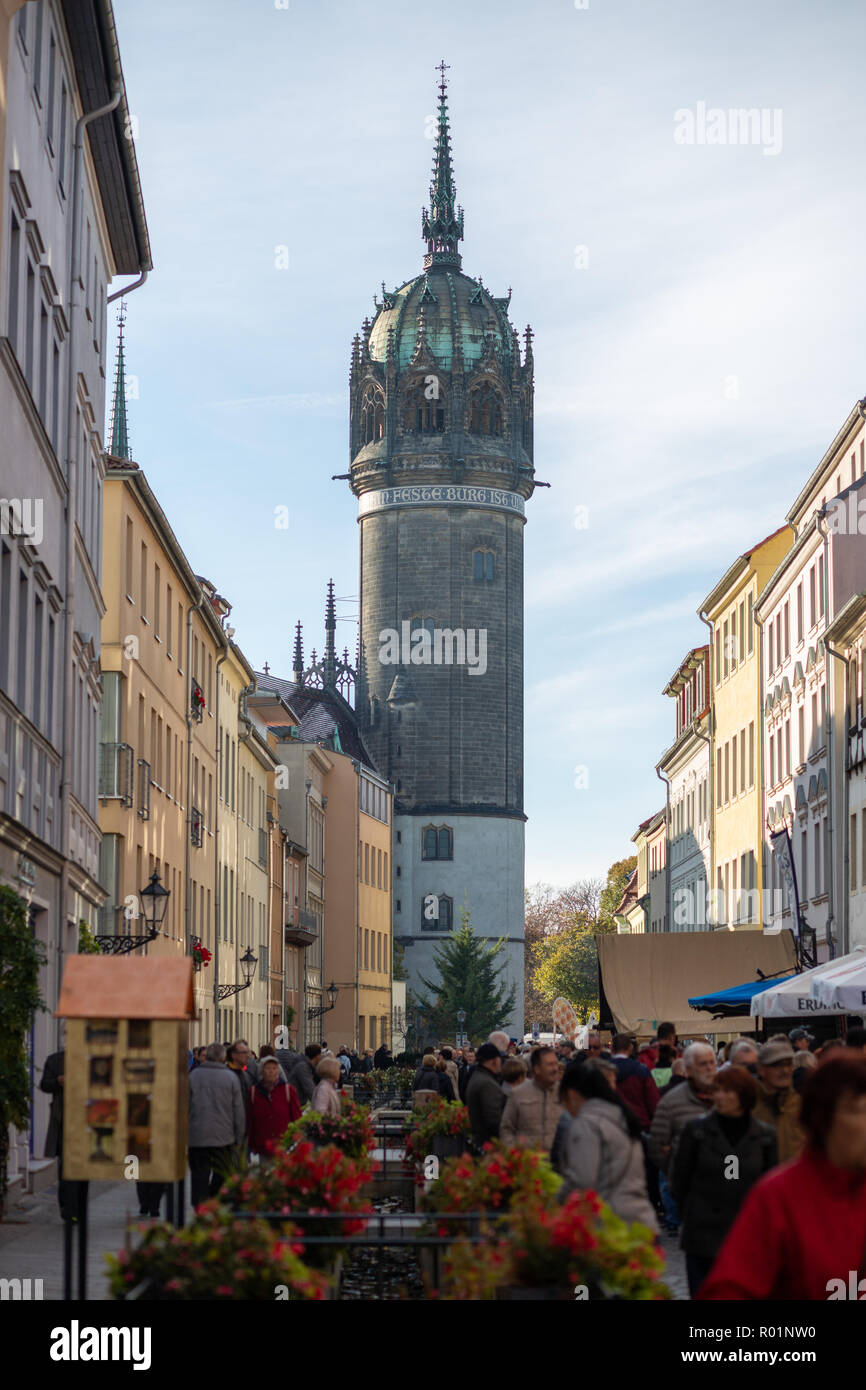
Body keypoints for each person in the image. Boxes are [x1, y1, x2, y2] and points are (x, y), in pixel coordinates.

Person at [699, 1055, 866, 1300]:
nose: (724, 1098)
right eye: (858, 1111)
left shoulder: (765, 1132)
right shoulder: (778, 1197)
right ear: (824, 1119)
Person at [671, 1065, 777, 1296]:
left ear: (743, 1095)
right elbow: (680, 1180)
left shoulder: (765, 1136)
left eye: (728, 1091)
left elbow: (771, 1187)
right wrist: (692, 1213)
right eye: (717, 1090)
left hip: (748, 1237)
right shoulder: (696, 1131)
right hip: (704, 1236)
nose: (720, 1096)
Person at [558, 1064, 658, 1231]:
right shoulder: (621, 1116)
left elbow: (582, 1180)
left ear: (571, 1095)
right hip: (641, 1219)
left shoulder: (587, 1123)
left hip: (611, 1223)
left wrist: (556, 1203)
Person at [648, 1043, 716, 1234]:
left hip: (723, 1190)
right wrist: (676, 1173)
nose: (709, 1068)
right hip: (691, 1191)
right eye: (703, 1064)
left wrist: (731, 1177)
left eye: (712, 1062)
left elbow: (734, 1145)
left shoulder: (726, 1096)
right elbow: (657, 1146)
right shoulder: (671, 1102)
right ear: (688, 1069)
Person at [188, 1043, 246, 1207]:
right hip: (224, 1137)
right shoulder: (231, 1078)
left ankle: (199, 1204)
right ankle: (214, 1199)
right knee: (221, 1173)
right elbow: (238, 1111)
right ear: (223, 1057)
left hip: (197, 1136)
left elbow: (184, 1105)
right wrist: (239, 1136)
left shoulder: (193, 1076)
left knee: (199, 1174)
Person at [40, 1047, 89, 1222]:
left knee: (83, 1170)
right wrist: (58, 1081)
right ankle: (68, 1209)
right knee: (66, 1168)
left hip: (86, 1123)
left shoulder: (89, 1058)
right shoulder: (55, 1060)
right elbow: (44, 1084)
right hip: (63, 1123)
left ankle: (79, 1210)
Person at [500, 1047, 563, 1151]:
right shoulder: (518, 1093)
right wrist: (514, 1152)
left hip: (558, 1163)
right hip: (528, 1161)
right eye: (550, 1065)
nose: (555, 1069)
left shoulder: (564, 1093)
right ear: (537, 1069)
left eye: (556, 1064)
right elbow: (506, 1128)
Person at [752, 1038, 805, 1163]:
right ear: (761, 1069)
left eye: (788, 1064)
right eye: (777, 1065)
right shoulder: (747, 1104)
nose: (785, 1070)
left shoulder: (802, 1105)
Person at [249, 1058, 302, 1156]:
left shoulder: (288, 1090)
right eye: (268, 1068)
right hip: (263, 1146)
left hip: (284, 1145)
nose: (271, 1071)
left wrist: (297, 1140)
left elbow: (297, 1117)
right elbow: (250, 1120)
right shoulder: (253, 1092)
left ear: (278, 1071)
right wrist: (252, 1144)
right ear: (262, 1071)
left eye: (274, 1068)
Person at [610, 1034, 661, 1133]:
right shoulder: (641, 1069)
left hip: (610, 1123)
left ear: (612, 1049)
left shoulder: (602, 1070)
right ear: (630, 1049)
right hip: (639, 1124)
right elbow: (652, 1100)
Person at [466, 1042, 506, 1146]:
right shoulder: (487, 1083)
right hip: (488, 1143)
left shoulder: (478, 1076)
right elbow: (494, 1119)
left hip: (480, 1139)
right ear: (494, 1060)